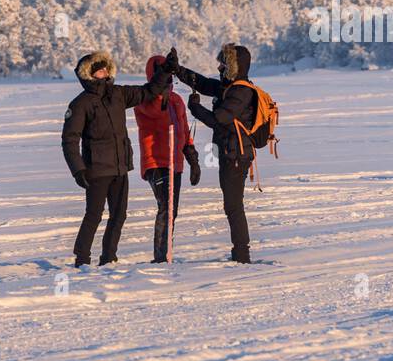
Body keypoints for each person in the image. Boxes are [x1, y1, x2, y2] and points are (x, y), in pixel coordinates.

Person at [61, 48, 176, 267]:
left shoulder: (118, 94)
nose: (103, 72)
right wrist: (78, 169)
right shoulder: (81, 104)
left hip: (120, 167)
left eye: (105, 68)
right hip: (96, 169)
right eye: (98, 70)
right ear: (88, 74)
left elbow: (148, 92)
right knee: (93, 215)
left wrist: (164, 71)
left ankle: (108, 257)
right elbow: (69, 139)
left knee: (119, 215)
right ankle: (82, 257)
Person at [175, 43, 256, 263]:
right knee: (231, 204)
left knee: (233, 205)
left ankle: (242, 254)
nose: (219, 67)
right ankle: (240, 252)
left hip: (236, 155)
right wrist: (178, 69)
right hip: (229, 152)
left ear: (234, 66)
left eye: (223, 63)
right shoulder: (229, 87)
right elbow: (202, 83)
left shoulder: (241, 91)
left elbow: (218, 119)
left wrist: (194, 108)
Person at [134, 54, 202, 262]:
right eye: (163, 72)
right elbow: (156, 111)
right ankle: (161, 257)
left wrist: (192, 158)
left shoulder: (176, 99)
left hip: (176, 162)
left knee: (172, 211)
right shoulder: (144, 98)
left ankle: (166, 251)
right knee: (166, 208)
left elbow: (183, 130)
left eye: (169, 72)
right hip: (156, 162)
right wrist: (160, 82)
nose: (169, 77)